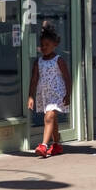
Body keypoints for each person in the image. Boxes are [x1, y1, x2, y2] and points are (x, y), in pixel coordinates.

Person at [28, 22, 70, 158]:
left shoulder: (59, 60)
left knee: (49, 117)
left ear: (54, 45)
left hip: (57, 94)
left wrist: (68, 94)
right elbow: (34, 80)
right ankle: (56, 145)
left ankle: (44, 146)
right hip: (45, 94)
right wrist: (31, 96)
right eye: (42, 46)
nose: (44, 48)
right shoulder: (38, 62)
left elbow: (67, 77)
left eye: (47, 45)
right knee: (53, 119)